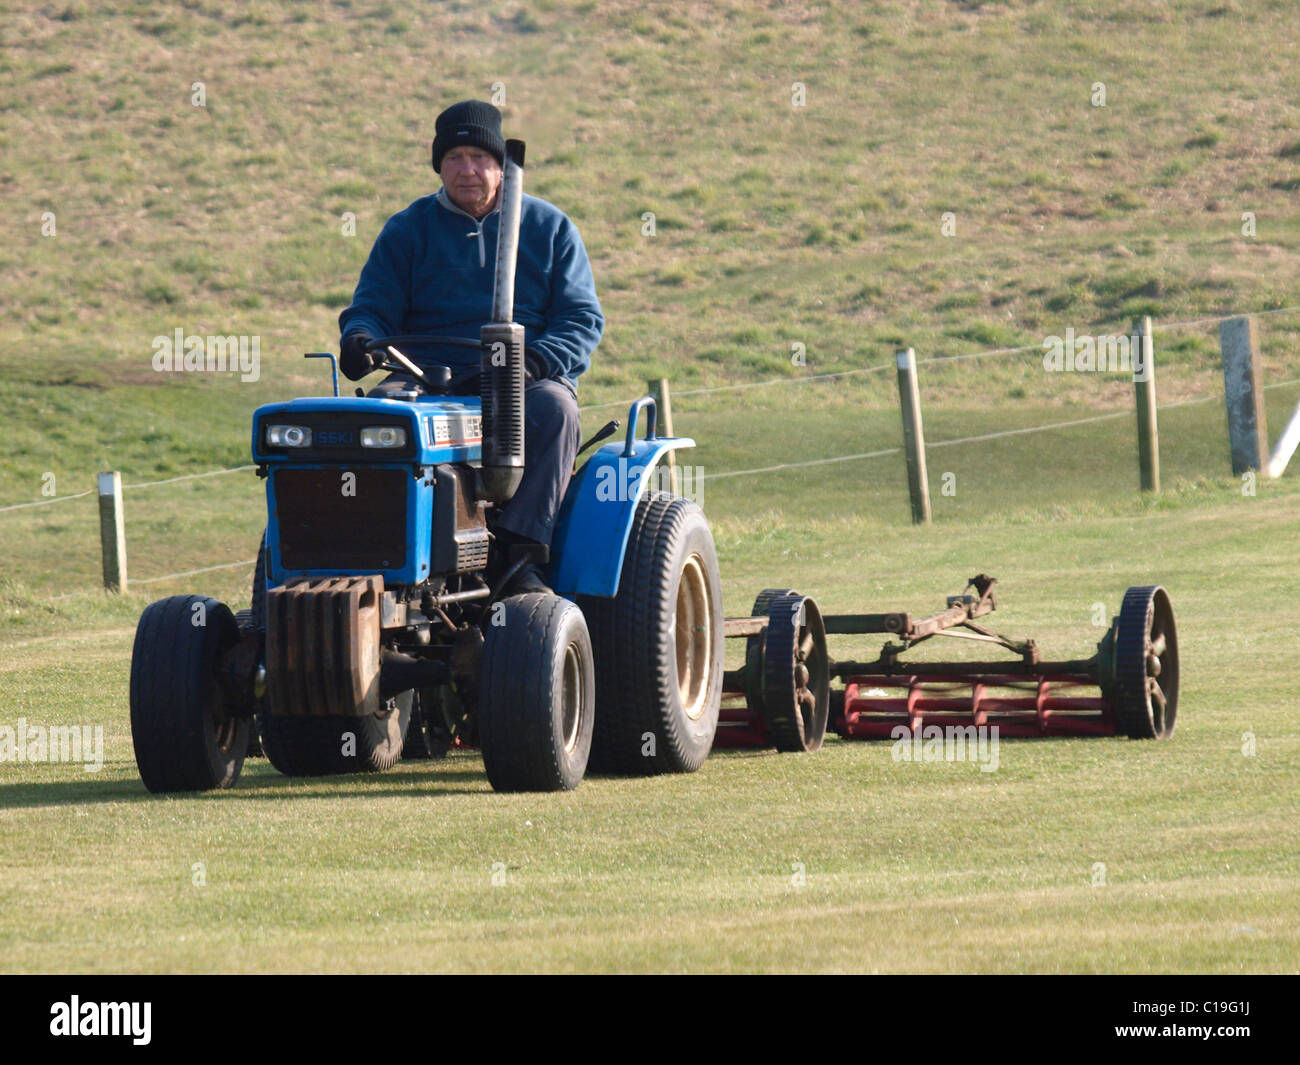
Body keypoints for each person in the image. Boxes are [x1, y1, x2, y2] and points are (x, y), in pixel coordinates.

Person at [338, 100, 604, 594]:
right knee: (372, 418)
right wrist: (359, 337)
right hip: (424, 370)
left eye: (479, 157)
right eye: (455, 158)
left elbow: (582, 319)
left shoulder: (549, 228)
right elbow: (372, 305)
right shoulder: (407, 230)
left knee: (554, 410)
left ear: (501, 164)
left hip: (522, 372)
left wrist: (537, 360)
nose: (467, 170)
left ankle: (521, 554)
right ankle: (368, 551)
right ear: (439, 165)